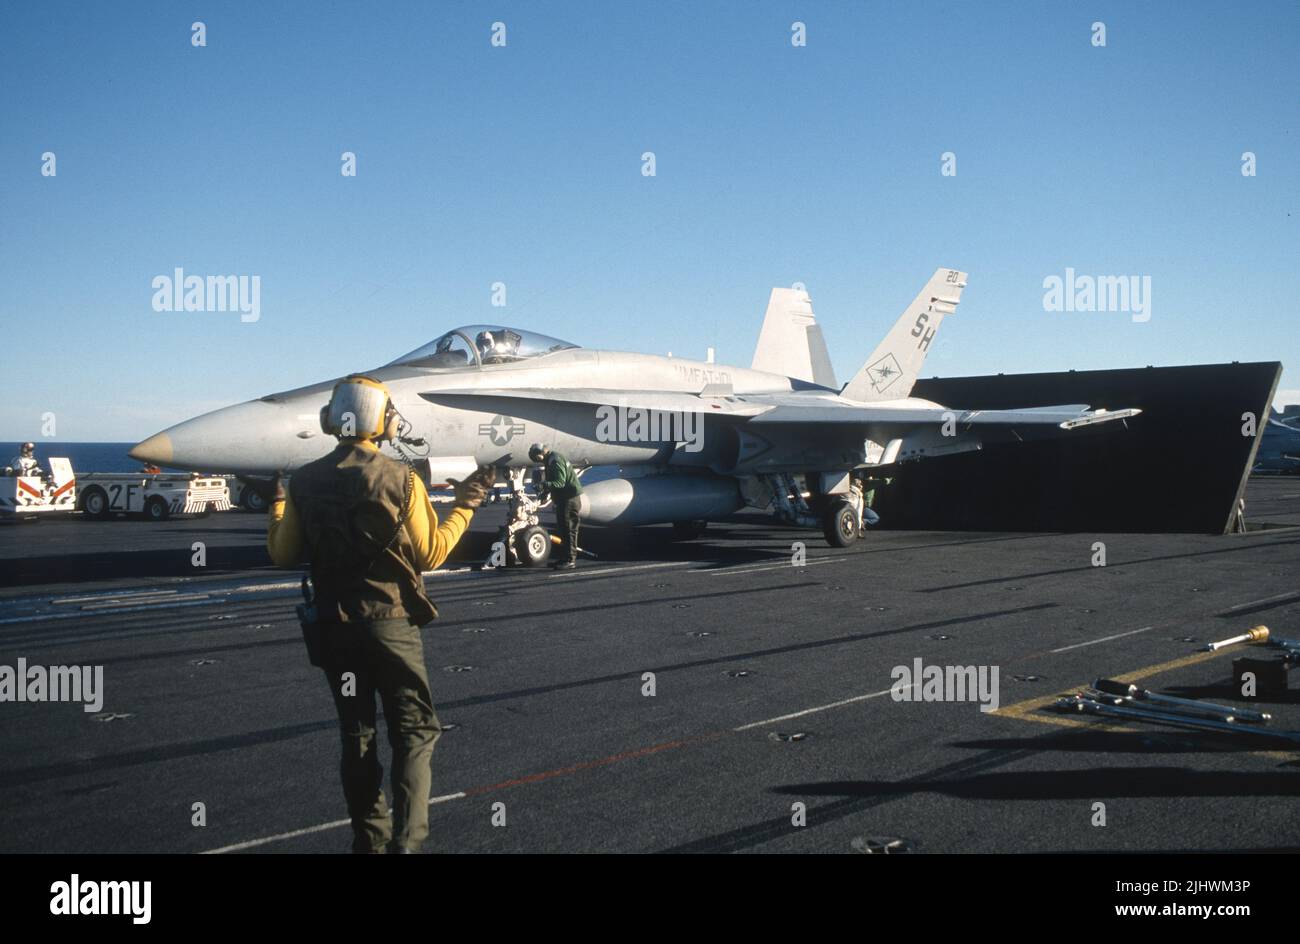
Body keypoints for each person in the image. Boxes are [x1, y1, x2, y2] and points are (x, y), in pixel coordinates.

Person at [266, 374, 495, 854]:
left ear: (331, 420)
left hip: (333, 627)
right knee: (414, 731)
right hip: (391, 626)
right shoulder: (401, 478)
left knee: (357, 733)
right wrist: (465, 507)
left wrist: (279, 508)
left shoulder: (305, 481)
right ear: (384, 422)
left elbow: (284, 555)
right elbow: (431, 554)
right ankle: (406, 845)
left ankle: (369, 841)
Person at [528, 443, 583, 569]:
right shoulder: (550, 460)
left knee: (569, 530)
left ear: (540, 454)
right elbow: (554, 480)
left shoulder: (555, 460)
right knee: (563, 529)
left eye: (535, 457)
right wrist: (544, 494)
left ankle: (570, 560)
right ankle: (565, 558)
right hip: (564, 498)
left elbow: (559, 482)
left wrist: (543, 485)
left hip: (569, 499)